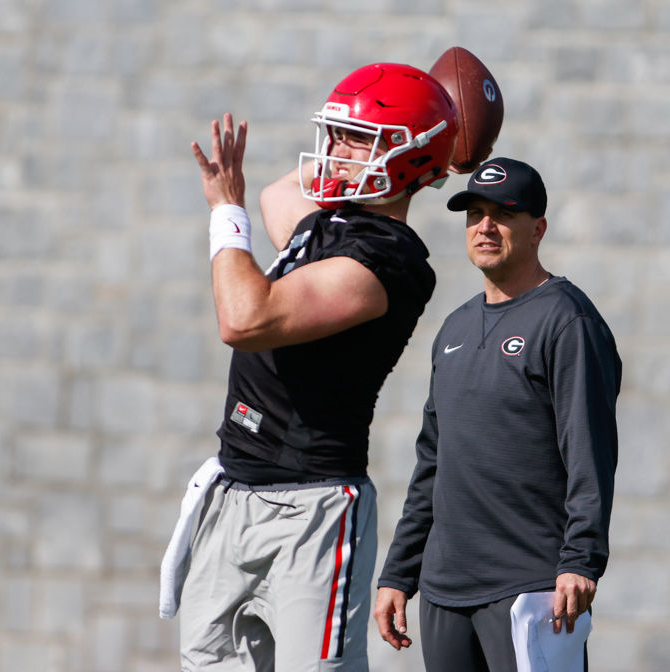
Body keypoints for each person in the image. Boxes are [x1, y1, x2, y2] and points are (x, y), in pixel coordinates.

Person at [167, 62, 460, 672]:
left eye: (356, 137)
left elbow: (244, 320)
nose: (334, 148)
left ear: (402, 157)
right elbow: (281, 194)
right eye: (334, 131)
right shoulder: (330, 223)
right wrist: (414, 140)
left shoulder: (389, 261)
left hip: (312, 505)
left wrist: (226, 209)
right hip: (233, 489)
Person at [373, 157, 622, 672]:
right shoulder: (454, 328)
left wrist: (580, 559)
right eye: (475, 213)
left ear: (538, 229)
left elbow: (589, 453)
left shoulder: (568, 321)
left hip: (529, 588)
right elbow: (432, 463)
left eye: (503, 214)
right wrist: (399, 572)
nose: (485, 227)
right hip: (444, 592)